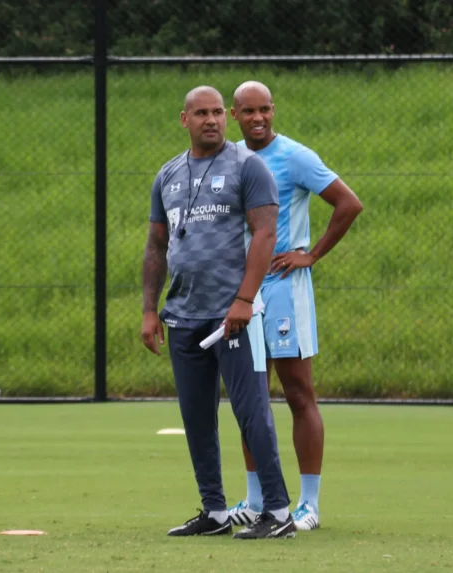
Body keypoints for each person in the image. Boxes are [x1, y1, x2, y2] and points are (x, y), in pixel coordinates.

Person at [140, 85, 296, 540]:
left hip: (233, 315)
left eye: (216, 113)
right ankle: (215, 511)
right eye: (201, 113)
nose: (211, 120)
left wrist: (245, 300)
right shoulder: (167, 174)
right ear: (184, 119)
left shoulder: (248, 166)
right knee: (196, 417)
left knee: (252, 412)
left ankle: (279, 510)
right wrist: (150, 310)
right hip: (183, 315)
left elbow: (265, 235)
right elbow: (156, 245)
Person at [226, 81, 363, 531]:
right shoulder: (230, 160)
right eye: (249, 111)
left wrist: (313, 253)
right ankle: (255, 497)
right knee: (250, 396)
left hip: (285, 287)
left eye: (265, 109)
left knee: (298, 392)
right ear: (234, 115)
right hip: (243, 290)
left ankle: (309, 504)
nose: (259, 118)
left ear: (273, 110)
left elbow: (348, 203)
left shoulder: (295, 156)